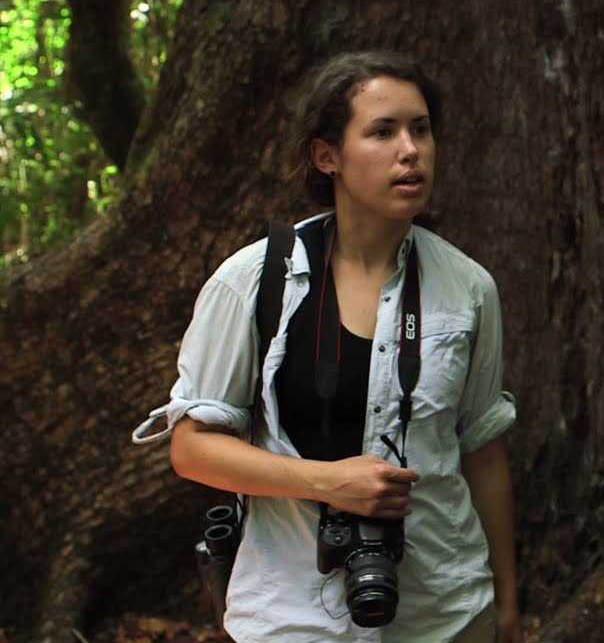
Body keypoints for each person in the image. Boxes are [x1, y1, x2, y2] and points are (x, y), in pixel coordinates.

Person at [132, 51, 521, 642]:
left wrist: (507, 606)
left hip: (443, 609)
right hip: (293, 611)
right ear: (327, 156)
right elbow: (192, 448)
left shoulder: (467, 288)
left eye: (421, 129)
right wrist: (324, 481)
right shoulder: (252, 282)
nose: (410, 150)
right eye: (382, 131)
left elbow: (483, 452)